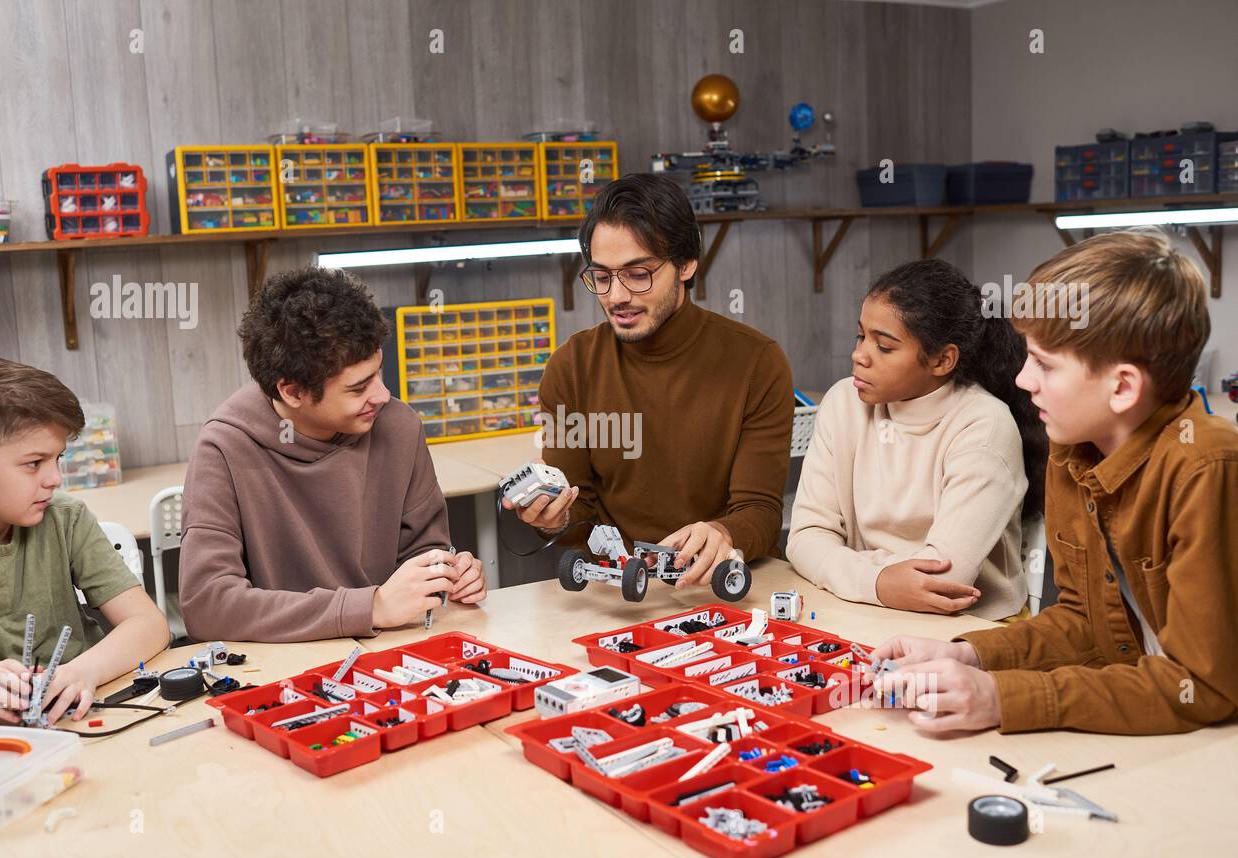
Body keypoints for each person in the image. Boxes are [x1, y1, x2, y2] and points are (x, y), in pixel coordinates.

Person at [872, 229, 1238, 734]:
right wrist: (969, 655)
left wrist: (1005, 699)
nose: (1023, 380)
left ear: (1123, 386)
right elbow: (1085, 624)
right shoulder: (1071, 446)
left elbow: (1202, 687)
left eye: (1045, 363)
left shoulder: (1207, 469)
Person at [505, 172, 794, 589]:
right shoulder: (571, 367)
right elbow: (576, 518)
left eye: (638, 273)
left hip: (720, 589)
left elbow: (761, 513)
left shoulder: (756, 363)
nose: (616, 297)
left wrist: (724, 534)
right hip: (620, 593)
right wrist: (553, 519)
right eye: (601, 277)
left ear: (686, 263)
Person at [179, 266, 486, 643]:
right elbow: (208, 605)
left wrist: (448, 575)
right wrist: (370, 607)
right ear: (292, 392)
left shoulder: (398, 427)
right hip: (283, 668)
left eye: (379, 372)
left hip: (391, 657)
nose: (383, 395)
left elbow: (426, 550)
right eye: (358, 388)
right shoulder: (225, 447)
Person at [786, 259, 1046, 620]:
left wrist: (839, 566)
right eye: (861, 335)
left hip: (972, 628)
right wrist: (878, 582)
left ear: (942, 360)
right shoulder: (842, 402)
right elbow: (803, 539)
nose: (859, 355)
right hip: (867, 608)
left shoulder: (983, 425)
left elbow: (944, 578)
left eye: (885, 347)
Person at [0, 357, 168, 725]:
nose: (55, 478)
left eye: (57, 458)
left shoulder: (64, 517)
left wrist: (81, 672)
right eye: (34, 463)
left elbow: (150, 625)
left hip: (79, 723)